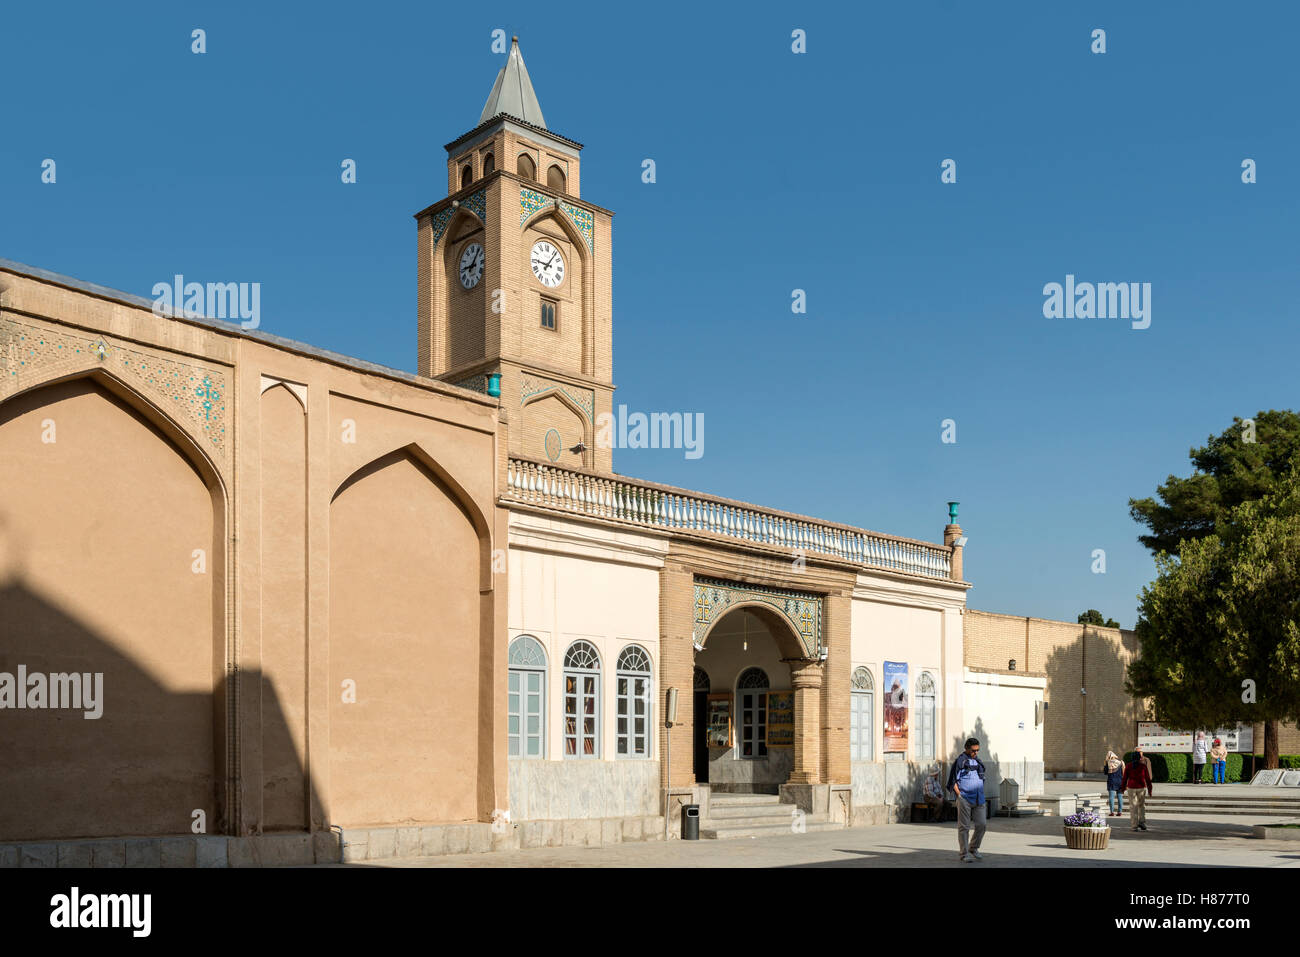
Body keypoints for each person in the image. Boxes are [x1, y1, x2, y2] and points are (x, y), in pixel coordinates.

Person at [947, 737, 987, 862]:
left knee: (982, 825)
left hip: (979, 799)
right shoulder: (960, 761)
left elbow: (981, 777)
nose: (975, 753)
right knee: (964, 827)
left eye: (977, 750)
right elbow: (952, 780)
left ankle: (973, 847)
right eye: (973, 750)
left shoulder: (978, 761)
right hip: (965, 798)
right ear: (967, 749)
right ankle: (964, 854)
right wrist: (960, 795)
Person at [1123, 749, 1153, 831]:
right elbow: (1147, 779)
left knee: (1133, 807)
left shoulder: (1128, 766)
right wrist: (1150, 790)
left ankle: (1134, 825)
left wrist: (1122, 789)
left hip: (1131, 788)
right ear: (1140, 758)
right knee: (1141, 806)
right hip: (1141, 788)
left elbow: (1125, 778)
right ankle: (1142, 822)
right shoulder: (1143, 766)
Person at [1102, 750, 1125, 814]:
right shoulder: (1121, 762)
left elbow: (1105, 772)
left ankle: (1112, 812)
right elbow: (1124, 773)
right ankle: (1119, 811)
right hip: (1120, 782)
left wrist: (1105, 764)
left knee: (1111, 797)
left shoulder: (1108, 763)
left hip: (1111, 782)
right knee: (1120, 797)